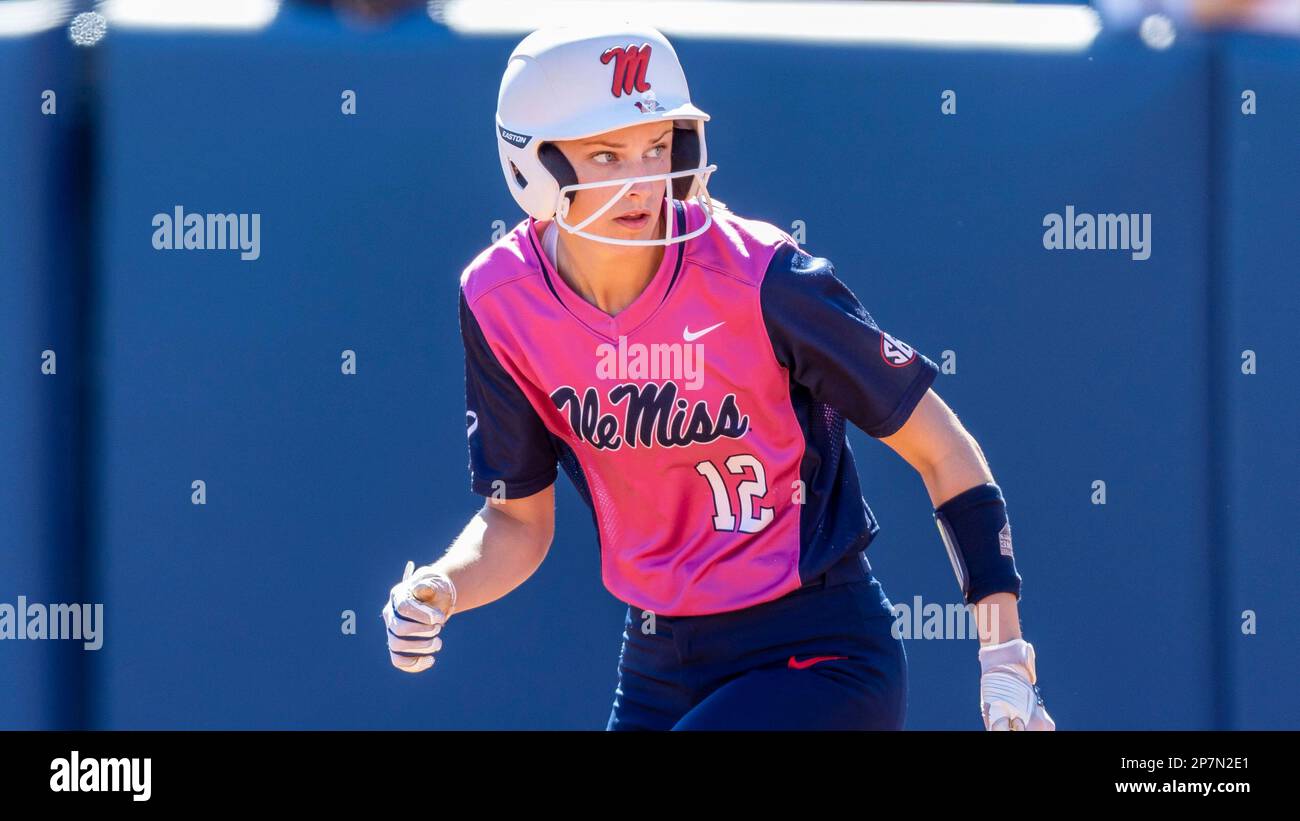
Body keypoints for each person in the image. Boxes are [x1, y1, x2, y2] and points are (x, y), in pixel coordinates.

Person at [381, 22, 1055, 731]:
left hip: (816, 651)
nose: (641, 180)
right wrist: (443, 585)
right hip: (655, 660)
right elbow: (517, 518)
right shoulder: (498, 300)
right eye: (607, 154)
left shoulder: (762, 277)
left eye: (657, 146)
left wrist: (1004, 651)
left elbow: (945, 449)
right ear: (532, 166)